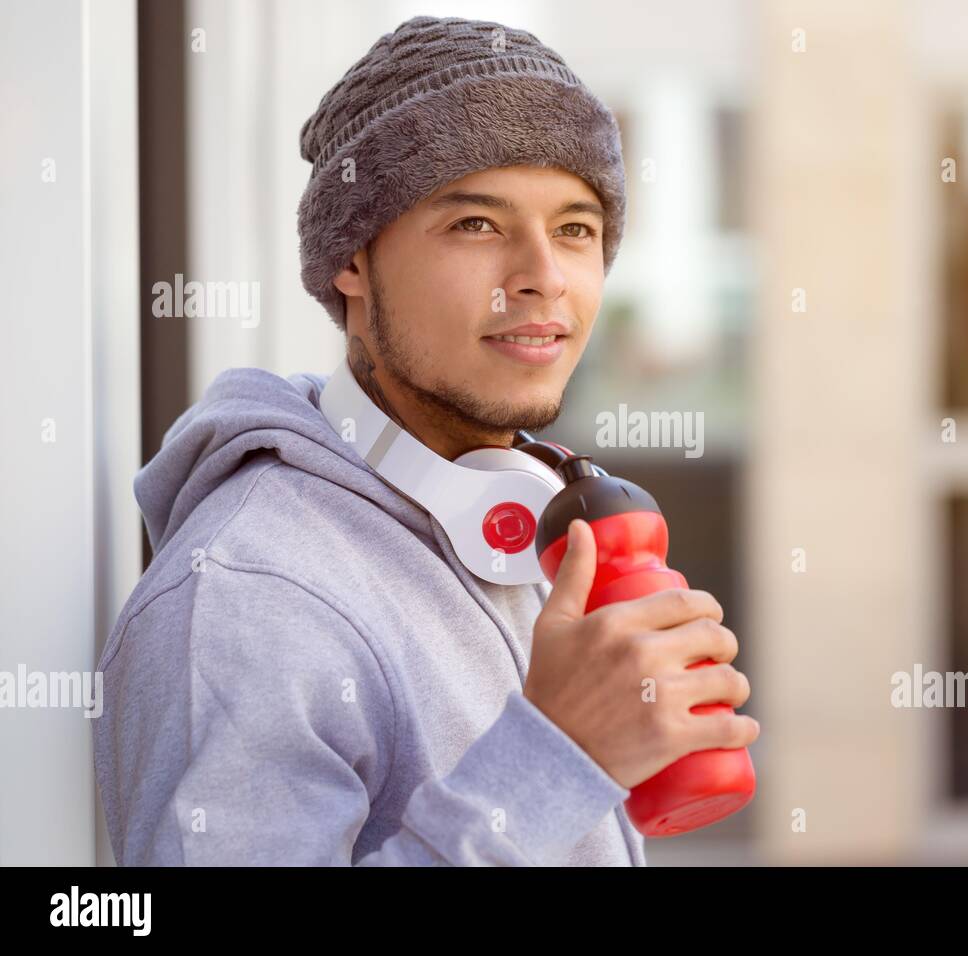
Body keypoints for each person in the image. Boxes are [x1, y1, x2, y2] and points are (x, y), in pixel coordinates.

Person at [94, 14, 759, 866]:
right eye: (477, 224)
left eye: (575, 229)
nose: (542, 277)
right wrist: (557, 762)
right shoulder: (245, 601)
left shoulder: (526, 535)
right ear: (353, 261)